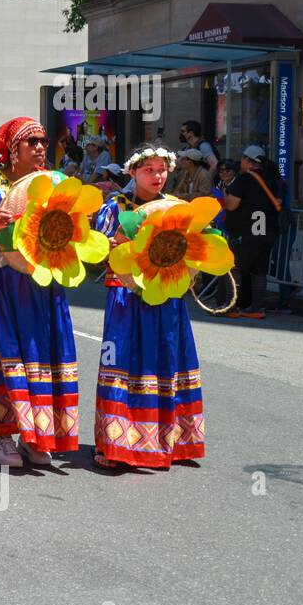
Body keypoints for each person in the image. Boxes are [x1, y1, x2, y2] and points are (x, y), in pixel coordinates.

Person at [0, 117, 79, 467]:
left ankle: (38, 436)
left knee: (43, 352)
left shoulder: (56, 182)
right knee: (8, 353)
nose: (41, 147)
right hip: (3, 281)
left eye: (44, 141)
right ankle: (5, 437)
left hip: (44, 281)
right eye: (32, 142)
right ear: (12, 150)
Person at [93, 145, 210, 469]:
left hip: (167, 298)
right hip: (125, 298)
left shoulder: (176, 208)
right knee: (122, 365)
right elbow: (96, 251)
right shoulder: (116, 207)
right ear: (132, 172)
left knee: (167, 361)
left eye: (161, 170)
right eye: (149, 170)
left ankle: (172, 440)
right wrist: (112, 246)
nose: (157, 176)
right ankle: (115, 444)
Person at [224, 145, 280, 319]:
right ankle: (256, 308)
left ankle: (231, 307)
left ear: (248, 161)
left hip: (246, 231)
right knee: (259, 271)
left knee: (233, 267)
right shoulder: (274, 178)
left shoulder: (244, 179)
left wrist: (226, 196)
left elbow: (232, 205)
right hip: (267, 231)